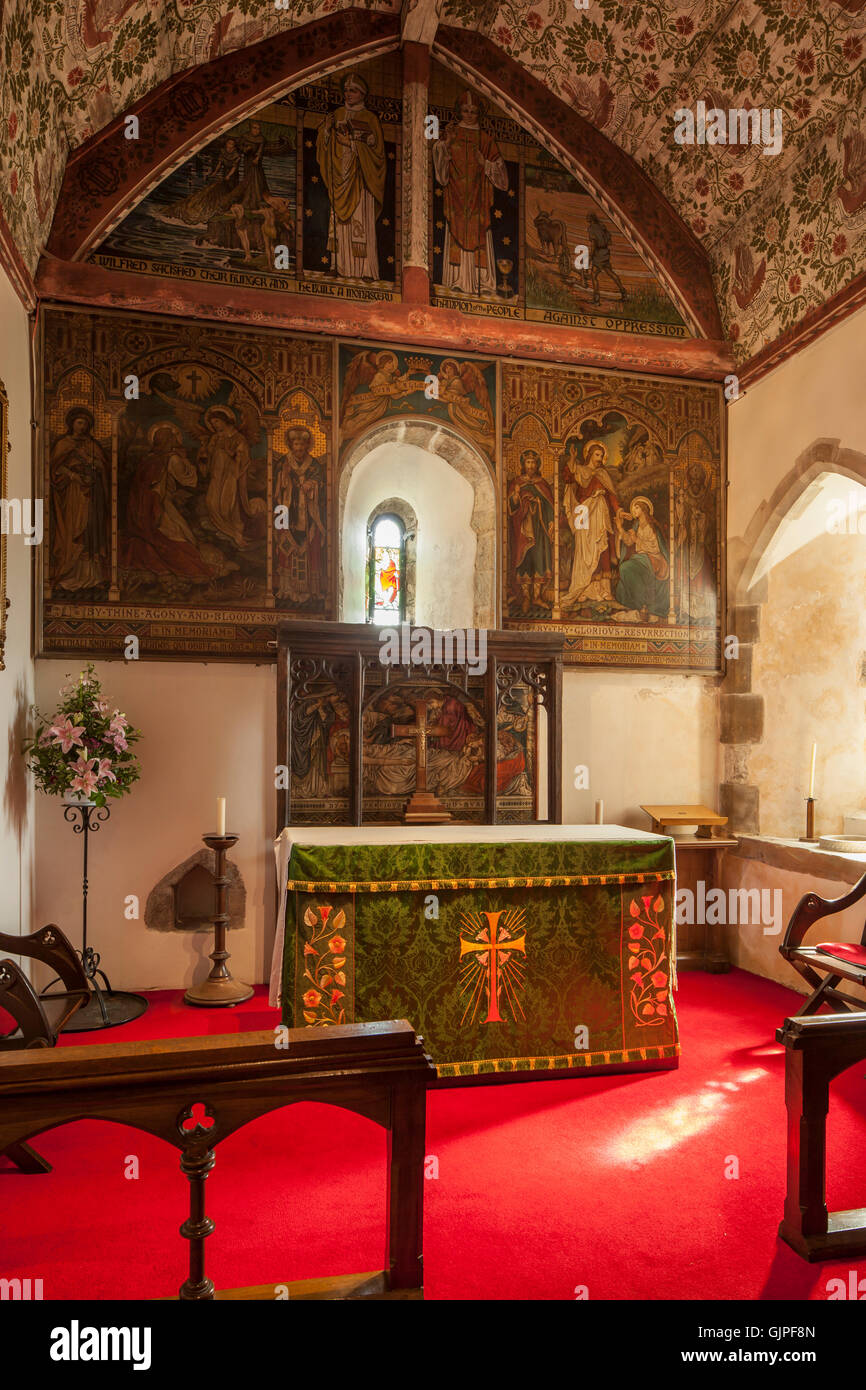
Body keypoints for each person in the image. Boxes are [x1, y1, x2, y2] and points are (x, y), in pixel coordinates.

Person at [432, 88, 508, 297]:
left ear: (479, 114)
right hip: (456, 195)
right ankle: (457, 279)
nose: (469, 115)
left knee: (480, 234)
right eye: (465, 110)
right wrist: (445, 144)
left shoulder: (485, 139)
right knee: (457, 231)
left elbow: (502, 176)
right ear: (459, 111)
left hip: (478, 197)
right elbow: (440, 167)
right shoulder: (452, 133)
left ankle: (482, 282)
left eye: (473, 111)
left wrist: (485, 163)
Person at [316, 72, 386, 280]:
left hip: (360, 179)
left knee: (360, 224)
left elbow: (378, 153)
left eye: (353, 90)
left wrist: (352, 144)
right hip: (339, 177)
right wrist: (326, 132)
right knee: (338, 226)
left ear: (363, 94)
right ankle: (338, 265)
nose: (348, 94)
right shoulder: (337, 114)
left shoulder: (370, 118)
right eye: (346, 90)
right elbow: (323, 144)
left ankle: (365, 270)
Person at [50, 407, 110, 593]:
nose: (82, 427)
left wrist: (92, 465)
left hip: (91, 495)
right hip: (71, 494)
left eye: (85, 423)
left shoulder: (94, 446)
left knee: (90, 531)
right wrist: (73, 475)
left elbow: (103, 468)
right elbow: (54, 469)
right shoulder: (63, 444)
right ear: (71, 424)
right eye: (79, 422)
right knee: (72, 531)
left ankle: (93, 576)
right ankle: (68, 575)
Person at [560, 439, 622, 607]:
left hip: (600, 512)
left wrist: (618, 510)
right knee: (583, 549)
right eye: (596, 454)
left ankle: (604, 590)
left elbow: (611, 496)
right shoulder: (580, 470)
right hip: (583, 512)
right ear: (588, 455)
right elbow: (567, 477)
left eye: (601, 455)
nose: (599, 458)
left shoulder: (603, 474)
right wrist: (572, 459)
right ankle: (583, 589)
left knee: (602, 547)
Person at [273, 426, 326, 605]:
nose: (299, 448)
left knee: (311, 548)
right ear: (290, 445)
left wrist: (312, 485)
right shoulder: (283, 462)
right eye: (295, 444)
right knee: (285, 546)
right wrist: (285, 478)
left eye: (302, 444)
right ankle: (285, 588)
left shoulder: (314, 465)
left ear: (307, 446)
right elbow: (277, 487)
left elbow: (321, 483)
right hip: (286, 512)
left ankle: (312, 591)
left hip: (308, 515)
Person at [507, 450, 555, 613]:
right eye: (528, 462)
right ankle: (526, 596)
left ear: (538, 465)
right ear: (523, 464)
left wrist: (550, 521)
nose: (531, 465)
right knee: (524, 560)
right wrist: (517, 496)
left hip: (540, 529)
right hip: (523, 529)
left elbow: (550, 505)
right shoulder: (517, 482)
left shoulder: (542, 484)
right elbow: (512, 507)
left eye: (533, 463)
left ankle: (537, 596)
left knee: (540, 560)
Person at [613, 496, 669, 622]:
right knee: (625, 571)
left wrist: (636, 539)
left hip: (654, 559)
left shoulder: (652, 526)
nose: (633, 510)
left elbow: (654, 548)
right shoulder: (636, 525)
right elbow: (628, 541)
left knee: (626, 568)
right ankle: (638, 604)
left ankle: (642, 604)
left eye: (636, 507)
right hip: (641, 558)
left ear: (644, 509)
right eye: (633, 508)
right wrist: (620, 527)